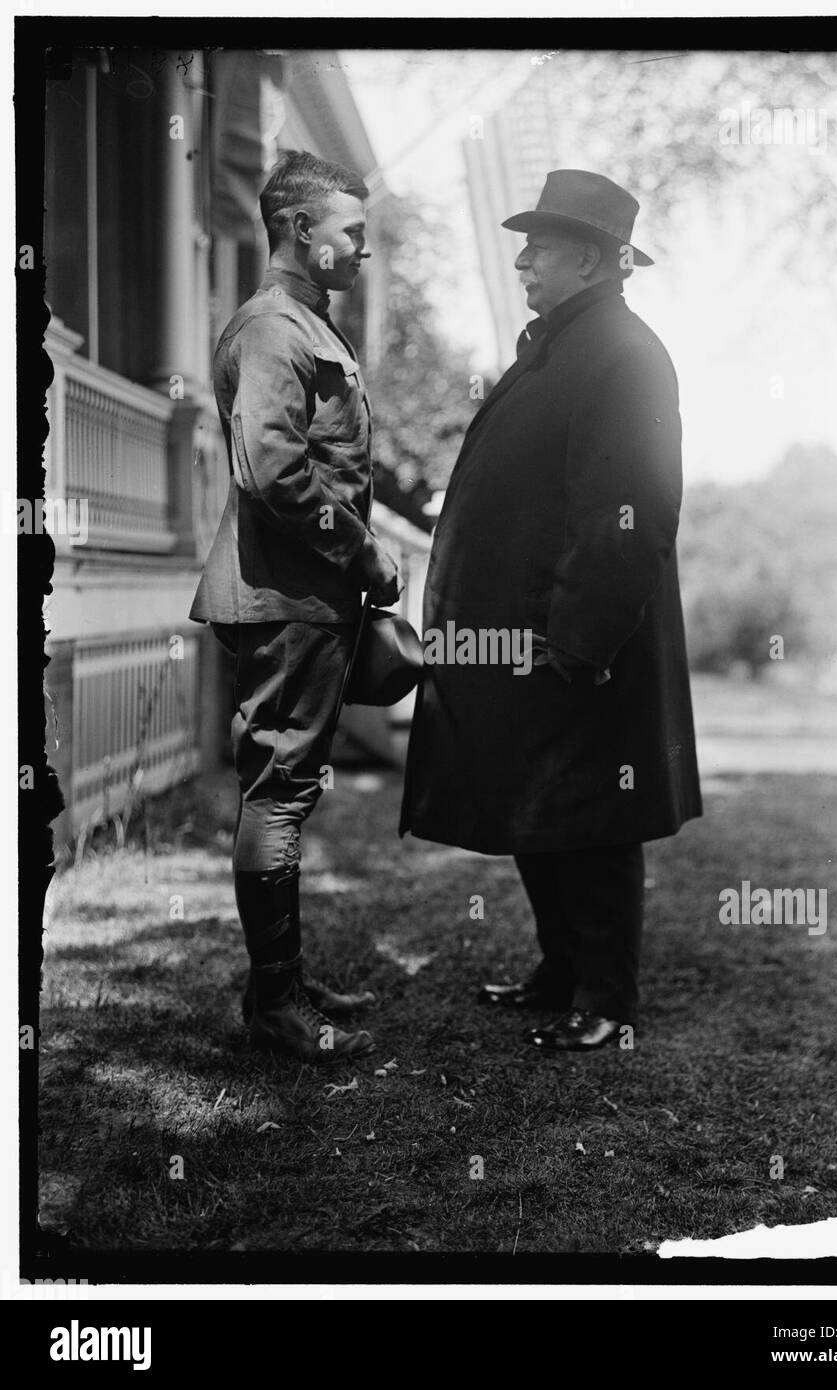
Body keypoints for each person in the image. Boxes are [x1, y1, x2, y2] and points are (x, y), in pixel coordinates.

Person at [400, 169, 702, 1051]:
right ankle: (561, 970)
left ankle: (608, 999)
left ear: (593, 259)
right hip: (519, 638)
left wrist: (581, 638)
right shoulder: (561, 345)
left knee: (595, 818)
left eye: (540, 246)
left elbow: (632, 507)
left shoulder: (625, 353)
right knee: (538, 807)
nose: (524, 260)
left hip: (575, 637)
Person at [190, 151, 400, 1063]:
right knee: (278, 795)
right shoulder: (275, 330)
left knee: (290, 791)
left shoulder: (306, 322)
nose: (361, 249)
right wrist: (363, 551)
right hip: (287, 595)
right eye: (350, 233)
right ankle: (274, 1008)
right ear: (301, 234)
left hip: (306, 592)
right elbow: (273, 471)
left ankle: (283, 983)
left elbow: (321, 462)